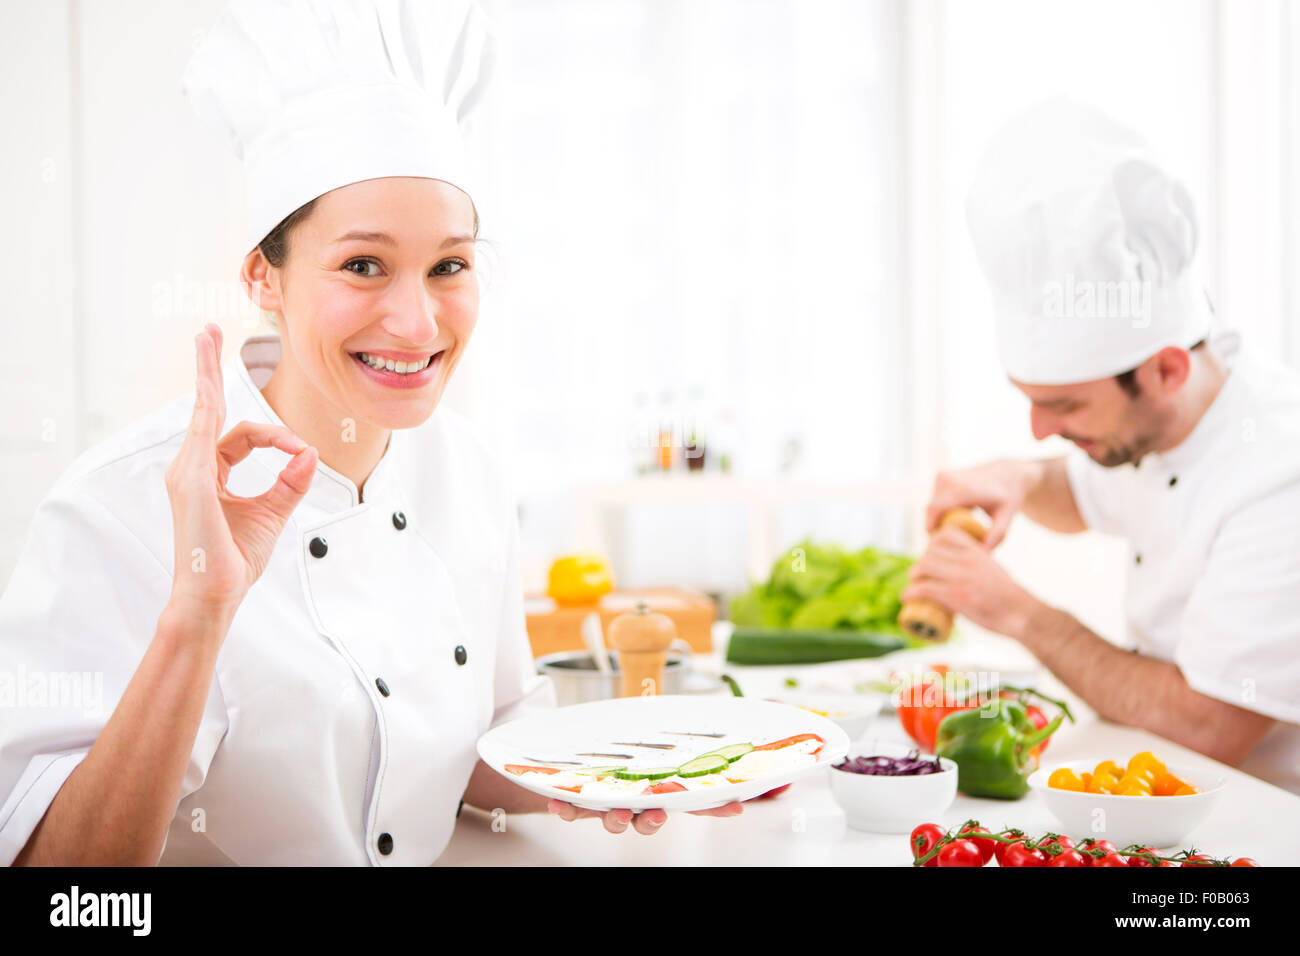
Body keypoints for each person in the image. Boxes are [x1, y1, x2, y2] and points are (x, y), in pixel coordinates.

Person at [0, 0, 739, 867]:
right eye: (363, 265)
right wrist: (199, 616)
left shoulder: (470, 473)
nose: (416, 319)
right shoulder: (114, 508)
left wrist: (606, 779)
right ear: (262, 278)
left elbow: (486, 738)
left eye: (449, 265)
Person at [901, 98, 1300, 795]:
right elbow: (1085, 494)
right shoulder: (1161, 416)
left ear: (1164, 369)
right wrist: (1022, 479)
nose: (1038, 428)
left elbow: (1207, 725)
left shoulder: (1278, 472)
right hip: (1166, 795)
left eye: (1062, 407)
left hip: (1262, 817)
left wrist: (1014, 612)